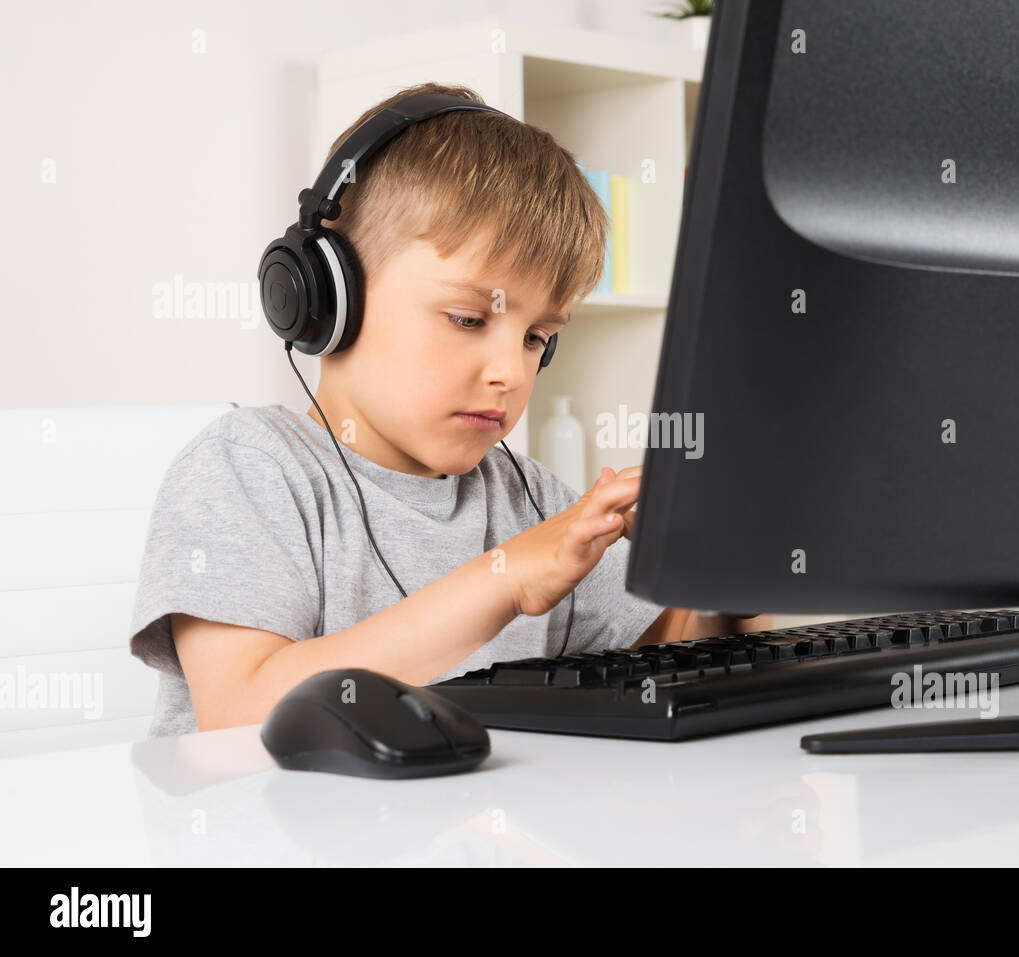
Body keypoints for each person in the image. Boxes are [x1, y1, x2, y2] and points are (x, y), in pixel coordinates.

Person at [128, 82, 770, 736]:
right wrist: (505, 578)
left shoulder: (530, 499)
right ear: (329, 294)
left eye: (536, 339)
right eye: (467, 318)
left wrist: (719, 581)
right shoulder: (250, 468)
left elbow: (656, 665)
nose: (509, 371)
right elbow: (242, 712)